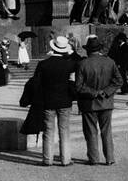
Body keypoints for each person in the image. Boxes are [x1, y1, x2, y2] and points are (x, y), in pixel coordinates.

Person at [31, 35, 79, 166]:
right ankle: (65, 159)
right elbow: (74, 78)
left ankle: (47, 159)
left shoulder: (43, 64)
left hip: (48, 101)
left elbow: (36, 83)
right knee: (64, 130)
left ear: (53, 48)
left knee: (48, 131)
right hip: (65, 101)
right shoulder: (70, 65)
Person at [75, 35, 121, 166]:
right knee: (106, 131)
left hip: (89, 103)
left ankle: (94, 158)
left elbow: (79, 86)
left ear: (88, 50)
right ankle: (110, 158)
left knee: (91, 132)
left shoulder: (82, 64)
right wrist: (105, 92)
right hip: (106, 102)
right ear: (99, 49)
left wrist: (95, 92)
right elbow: (119, 81)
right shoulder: (110, 62)